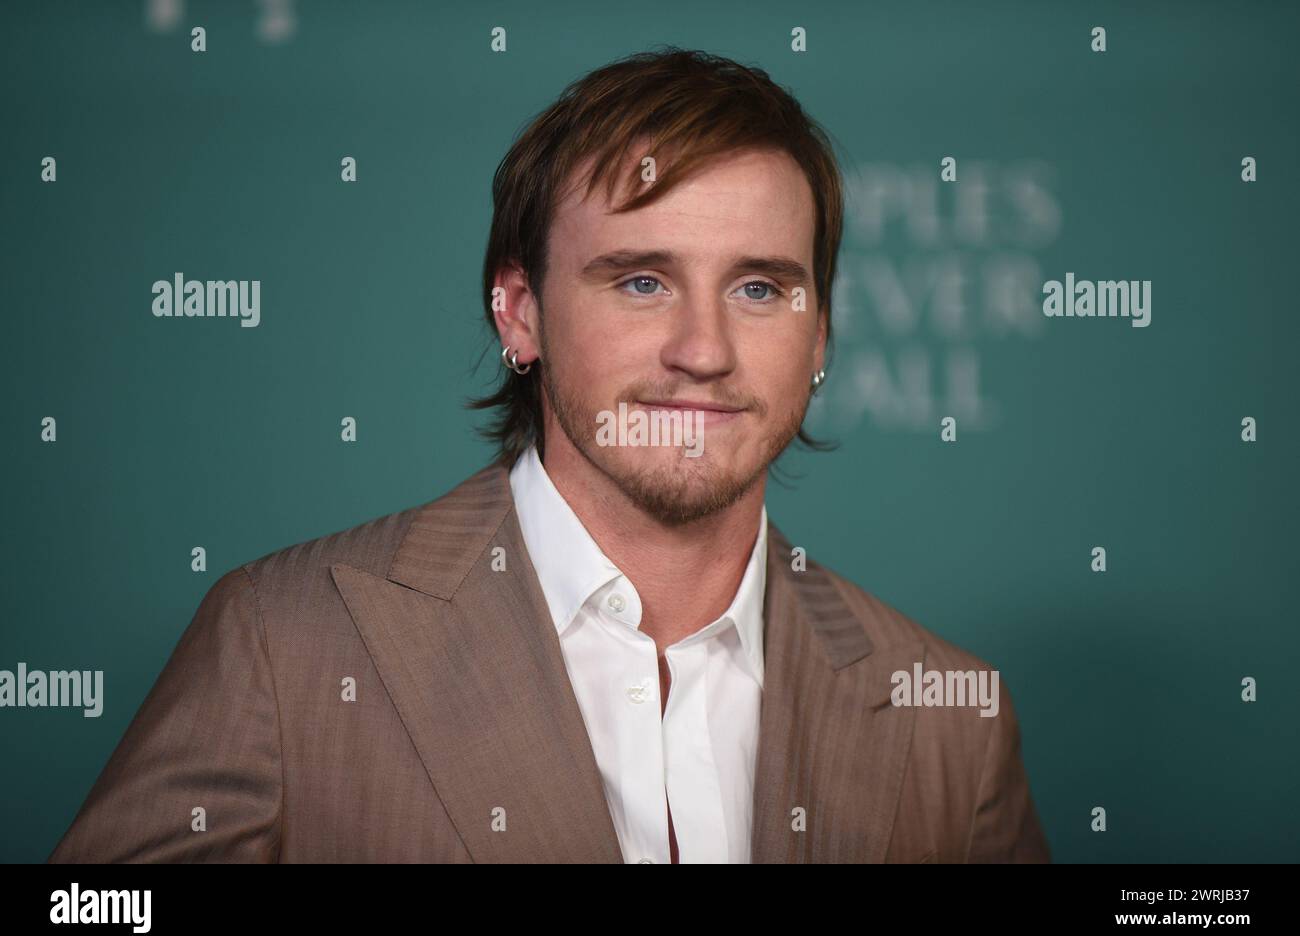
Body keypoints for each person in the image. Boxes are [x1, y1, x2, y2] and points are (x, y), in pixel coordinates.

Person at [49, 47, 1049, 863]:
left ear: (820, 334)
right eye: (641, 280)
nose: (701, 348)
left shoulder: (948, 717)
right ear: (519, 312)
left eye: (758, 288)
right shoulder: (284, 645)